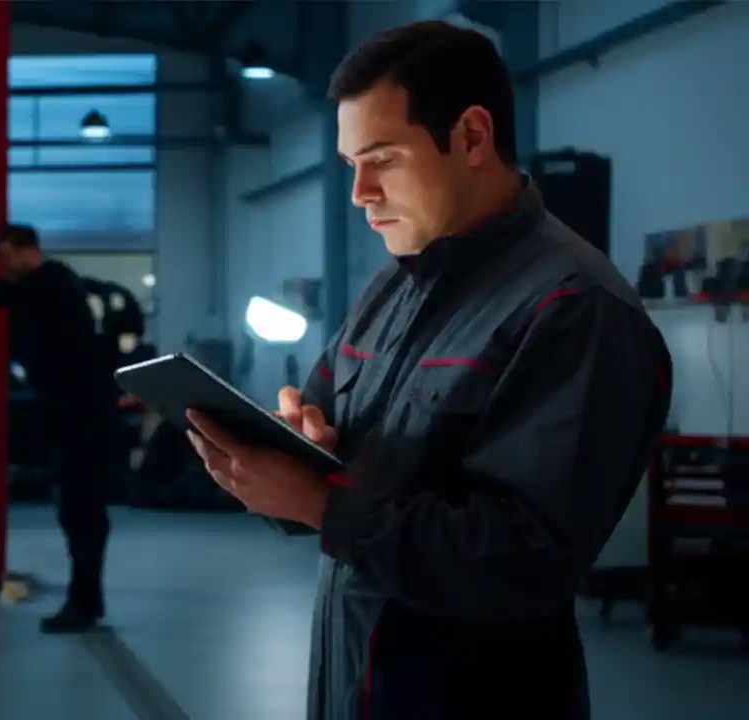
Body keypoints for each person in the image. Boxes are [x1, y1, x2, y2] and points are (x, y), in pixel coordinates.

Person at [185, 21, 672, 720]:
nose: (359, 192)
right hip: (354, 680)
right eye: (352, 163)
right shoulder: (396, 285)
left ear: (472, 138)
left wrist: (320, 503)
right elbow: (327, 422)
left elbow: (525, 559)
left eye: (381, 158)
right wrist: (294, 439)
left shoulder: (575, 311)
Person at [0, 223, 119, 633]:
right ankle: (86, 599)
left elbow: (2, 295)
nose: (4, 267)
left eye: (6, 256)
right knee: (78, 511)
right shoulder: (54, 284)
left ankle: (83, 601)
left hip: (79, 418)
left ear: (27, 250)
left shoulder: (50, 282)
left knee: (81, 511)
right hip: (76, 416)